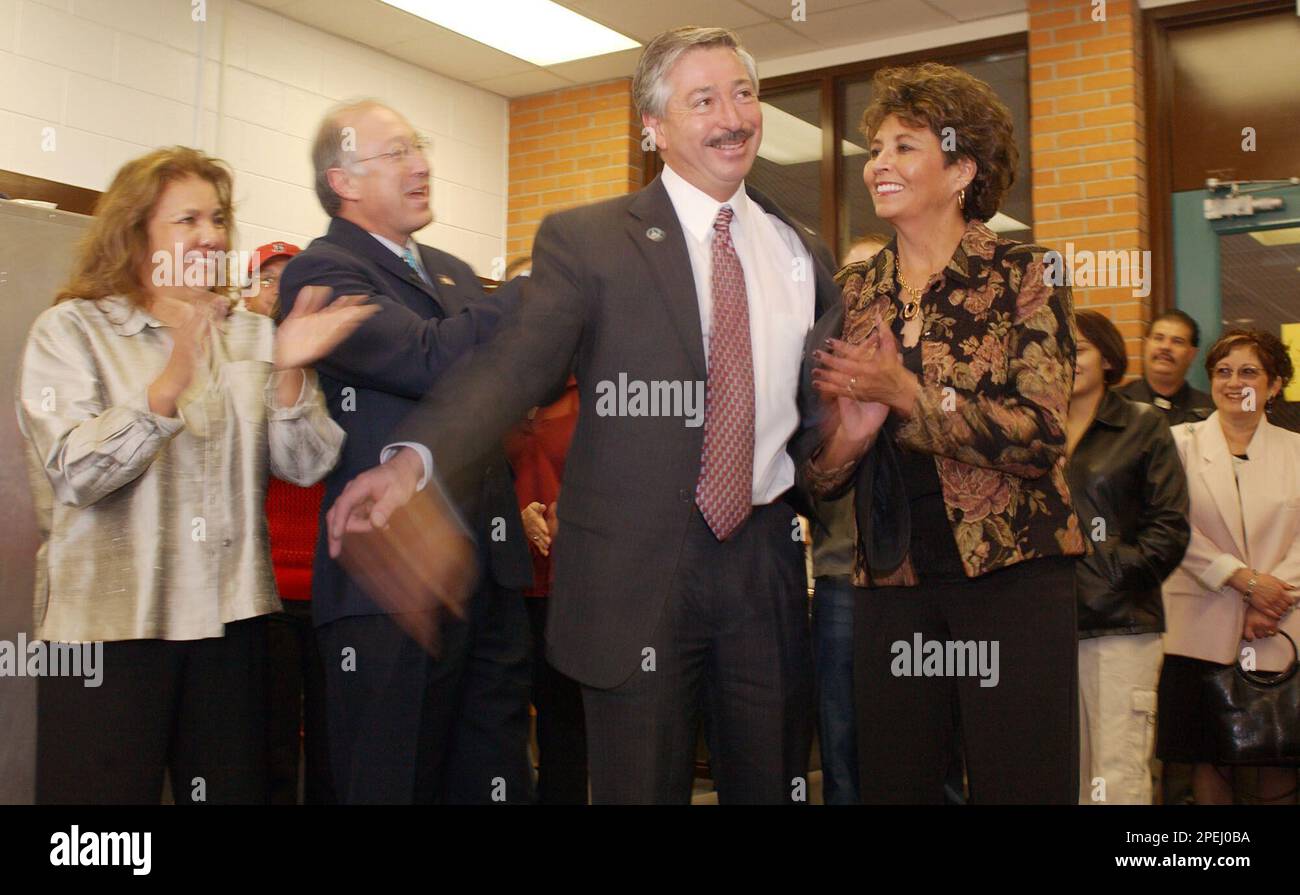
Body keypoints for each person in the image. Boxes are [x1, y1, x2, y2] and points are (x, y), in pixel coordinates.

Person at [323, 26, 844, 804]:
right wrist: (413, 461)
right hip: (635, 575)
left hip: (763, 566)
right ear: (655, 127)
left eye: (743, 93)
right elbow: (514, 367)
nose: (734, 116)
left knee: (771, 783)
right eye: (704, 100)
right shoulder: (590, 241)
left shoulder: (801, 252)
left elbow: (809, 419)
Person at [16, 146, 367, 804]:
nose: (210, 234)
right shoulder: (71, 331)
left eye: (219, 217)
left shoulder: (251, 336)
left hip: (231, 626)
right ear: (134, 229)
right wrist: (169, 384)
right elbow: (73, 472)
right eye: (187, 219)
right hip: (107, 632)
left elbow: (308, 462)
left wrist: (290, 368)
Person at [805, 62, 1087, 804]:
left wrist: (910, 398)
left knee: (1018, 782)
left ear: (962, 167)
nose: (879, 166)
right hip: (892, 581)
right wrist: (854, 437)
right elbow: (820, 475)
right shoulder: (854, 290)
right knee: (895, 785)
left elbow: (1042, 433)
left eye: (905, 146)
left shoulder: (1028, 272)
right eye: (875, 149)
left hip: (1012, 580)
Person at [278, 100, 535, 805]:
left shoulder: (451, 272)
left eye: (419, 146)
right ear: (344, 181)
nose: (421, 164)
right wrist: (539, 285)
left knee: (496, 780)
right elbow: (429, 360)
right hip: (387, 583)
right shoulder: (321, 273)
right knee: (392, 782)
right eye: (396, 153)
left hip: (489, 569)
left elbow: (508, 383)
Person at [1157, 328, 1300, 805]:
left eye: (1249, 371)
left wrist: (1271, 597)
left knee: (1278, 753)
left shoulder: (1297, 450)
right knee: (1209, 756)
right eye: (1223, 371)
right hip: (1199, 617)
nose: (1234, 381)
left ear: (1275, 384)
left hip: (1283, 623)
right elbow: (1170, 525)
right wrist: (1242, 581)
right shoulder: (1177, 444)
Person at [1066, 310, 1189, 804]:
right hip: (1043, 624)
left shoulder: (1142, 425)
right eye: (1057, 348)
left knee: (1116, 777)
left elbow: (1170, 528)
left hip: (1119, 624)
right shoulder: (1033, 426)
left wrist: (1108, 574)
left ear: (1109, 359)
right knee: (1063, 776)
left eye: (1079, 349)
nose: (1066, 359)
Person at [241, 241, 335, 805]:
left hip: (329, 589)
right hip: (261, 593)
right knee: (266, 743)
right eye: (266, 278)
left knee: (333, 741)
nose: (277, 290)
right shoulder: (228, 369)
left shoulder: (335, 367)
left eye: (289, 279)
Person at [808, 231, 889, 806]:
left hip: (912, 585)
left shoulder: (918, 371)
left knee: (923, 743)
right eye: (852, 276)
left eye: (875, 273)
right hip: (840, 579)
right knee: (841, 743)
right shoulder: (820, 375)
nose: (862, 286)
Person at [1117, 310, 1214, 426]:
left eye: (1177, 341)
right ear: (1146, 344)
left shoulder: (1210, 412)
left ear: (1191, 354)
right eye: (1158, 338)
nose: (1165, 347)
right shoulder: (1115, 403)